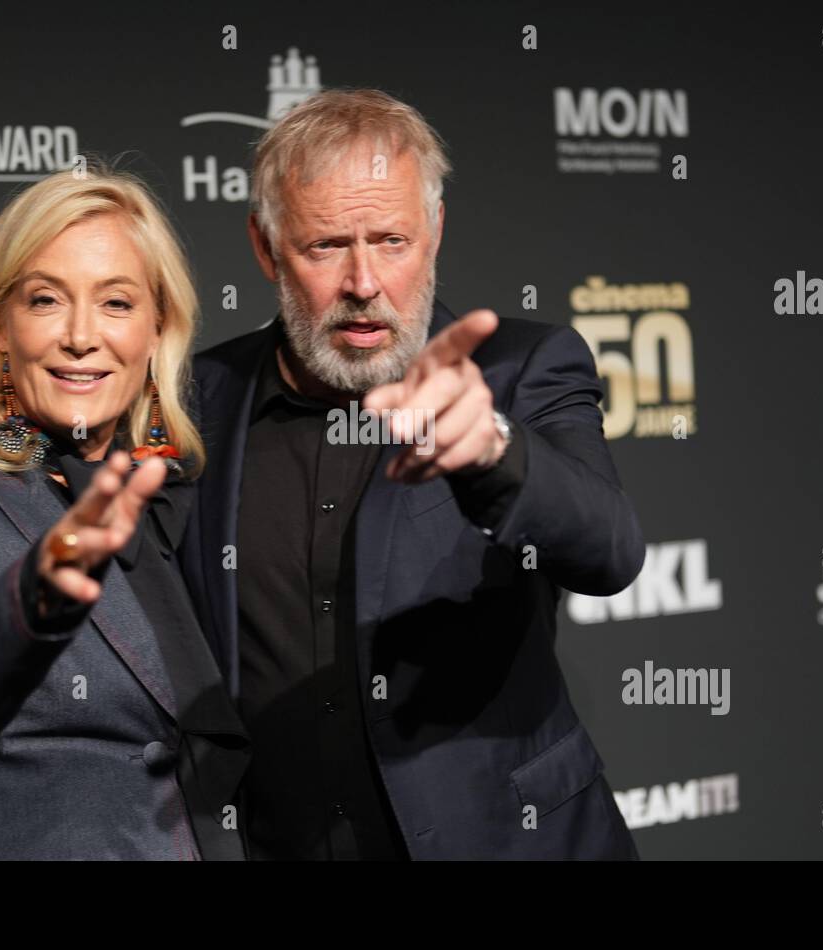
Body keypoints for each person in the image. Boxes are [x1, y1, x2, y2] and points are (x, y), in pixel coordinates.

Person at [180, 89, 646, 859]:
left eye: (391, 241)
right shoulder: (200, 396)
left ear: (434, 231)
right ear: (265, 248)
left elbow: (610, 550)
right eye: (326, 246)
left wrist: (495, 448)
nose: (364, 282)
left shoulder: (521, 367)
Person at [0, 166, 248, 859]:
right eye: (45, 300)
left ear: (159, 328)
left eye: (117, 303)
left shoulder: (193, 494)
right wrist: (42, 587)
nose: (80, 335)